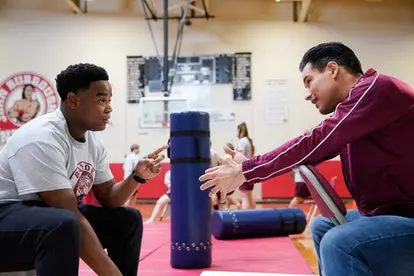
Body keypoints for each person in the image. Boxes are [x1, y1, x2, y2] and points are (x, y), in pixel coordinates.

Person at [199, 42, 414, 276]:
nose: (307, 94)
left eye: (309, 80)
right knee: (321, 226)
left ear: (332, 69)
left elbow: (313, 142)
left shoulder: (376, 89)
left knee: (338, 242)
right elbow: (310, 150)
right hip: (390, 214)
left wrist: (248, 169)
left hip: (405, 215)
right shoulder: (359, 112)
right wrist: (247, 166)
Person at [0, 63, 168, 276]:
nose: (108, 108)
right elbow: (68, 210)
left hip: (46, 216)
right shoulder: (41, 137)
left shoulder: (93, 143)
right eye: (100, 100)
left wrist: (136, 176)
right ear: (73, 100)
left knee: (128, 219)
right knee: (63, 223)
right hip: (6, 216)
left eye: (109, 101)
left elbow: (110, 198)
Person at [236, 122, 256, 209]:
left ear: (240, 131)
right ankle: (254, 217)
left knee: (245, 196)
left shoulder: (242, 141)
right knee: (249, 196)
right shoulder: (248, 141)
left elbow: (240, 156)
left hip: (244, 170)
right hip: (251, 170)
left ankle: (246, 218)